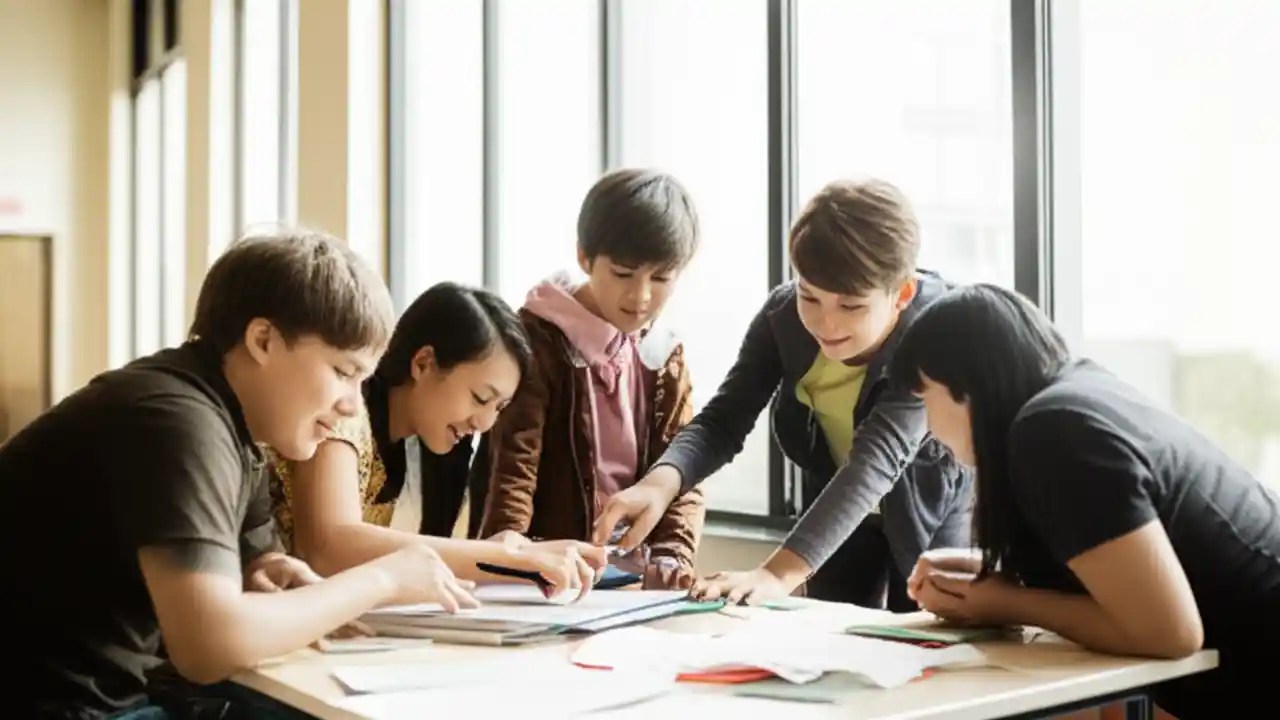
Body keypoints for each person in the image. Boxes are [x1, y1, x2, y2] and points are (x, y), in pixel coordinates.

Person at [2, 230, 478, 718]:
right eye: (342, 371)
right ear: (263, 340)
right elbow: (210, 644)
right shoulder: (178, 420)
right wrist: (380, 580)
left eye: (362, 381)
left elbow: (258, 573)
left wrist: (270, 577)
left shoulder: (236, 431)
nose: (352, 404)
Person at [892, 283, 1279, 719]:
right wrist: (997, 578)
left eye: (926, 397)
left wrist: (1004, 603)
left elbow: (1170, 633)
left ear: (967, 385)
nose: (927, 425)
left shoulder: (1054, 431)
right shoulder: (1076, 396)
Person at [595, 178, 973, 608]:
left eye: (850, 306)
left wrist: (775, 575)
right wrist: (660, 485)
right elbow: (724, 418)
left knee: (930, 629)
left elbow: (875, 461)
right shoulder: (782, 318)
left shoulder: (932, 333)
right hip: (830, 506)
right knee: (836, 633)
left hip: (927, 504)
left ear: (901, 293)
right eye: (810, 297)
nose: (826, 324)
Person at [267, 281, 605, 596]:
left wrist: (510, 555)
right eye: (480, 398)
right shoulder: (345, 410)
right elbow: (329, 545)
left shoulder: (422, 454)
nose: (485, 423)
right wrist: (502, 557)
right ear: (424, 363)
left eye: (499, 408)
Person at [475, 168, 705, 589]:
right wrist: (506, 552)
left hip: (630, 578)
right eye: (622, 273)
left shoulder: (664, 350)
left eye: (661, 278)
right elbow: (514, 460)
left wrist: (674, 554)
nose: (640, 297)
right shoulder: (536, 337)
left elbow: (682, 461)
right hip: (545, 573)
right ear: (584, 257)